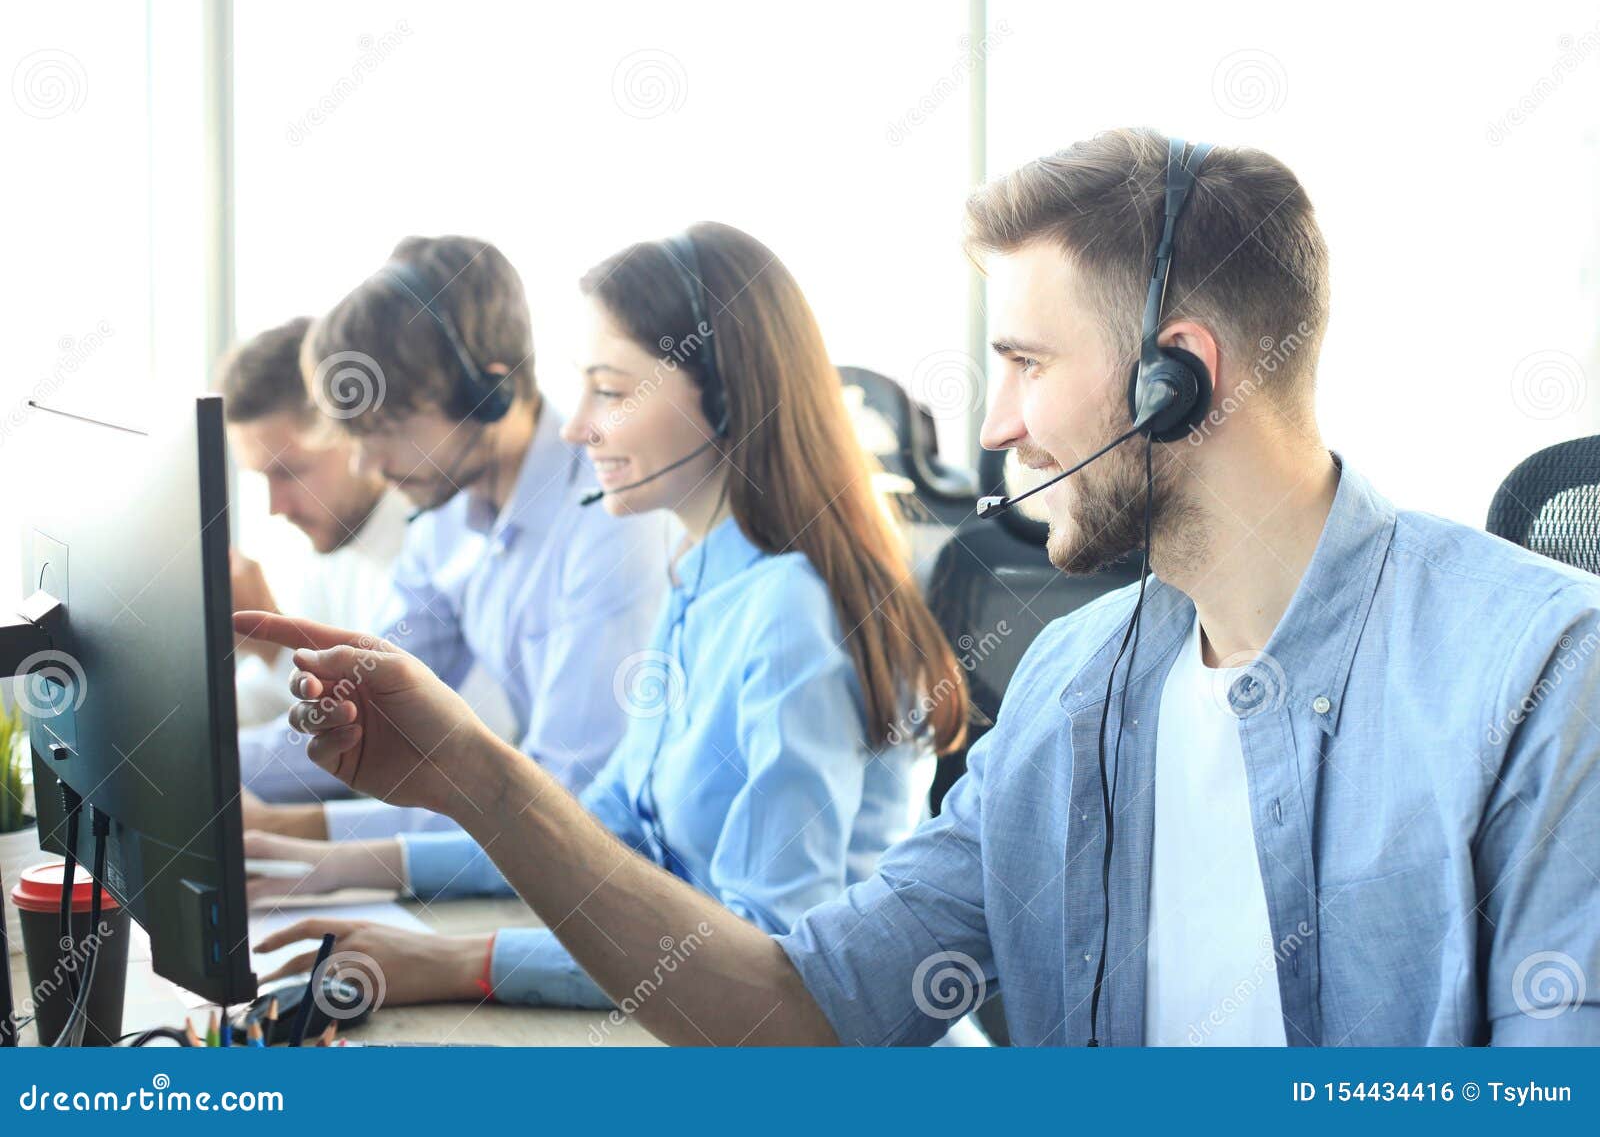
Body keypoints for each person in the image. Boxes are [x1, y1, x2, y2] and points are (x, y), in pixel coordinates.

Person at [237, 131, 1600, 1046]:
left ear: (1179, 376)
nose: (996, 425)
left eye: (1024, 360)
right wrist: (478, 774)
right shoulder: (1073, 691)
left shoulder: (1540, 675)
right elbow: (799, 1008)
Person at [243, 223, 970, 1015]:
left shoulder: (793, 608)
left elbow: (767, 960)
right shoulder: (697, 578)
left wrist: (463, 959)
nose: (574, 424)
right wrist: (339, 860)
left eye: (612, 391)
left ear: (728, 398)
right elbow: (591, 835)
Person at [239, 236, 669, 844]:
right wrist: (195, 769)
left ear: (488, 395)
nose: (364, 466)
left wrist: (300, 829)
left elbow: (567, 804)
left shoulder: (609, 521)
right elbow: (362, 708)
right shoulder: (444, 518)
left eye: (383, 431)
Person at [217, 317, 512, 740]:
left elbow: (386, 738)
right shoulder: (331, 545)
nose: (274, 508)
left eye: (290, 472)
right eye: (260, 478)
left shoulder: (439, 549)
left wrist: (271, 644)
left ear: (349, 429)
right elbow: (270, 705)